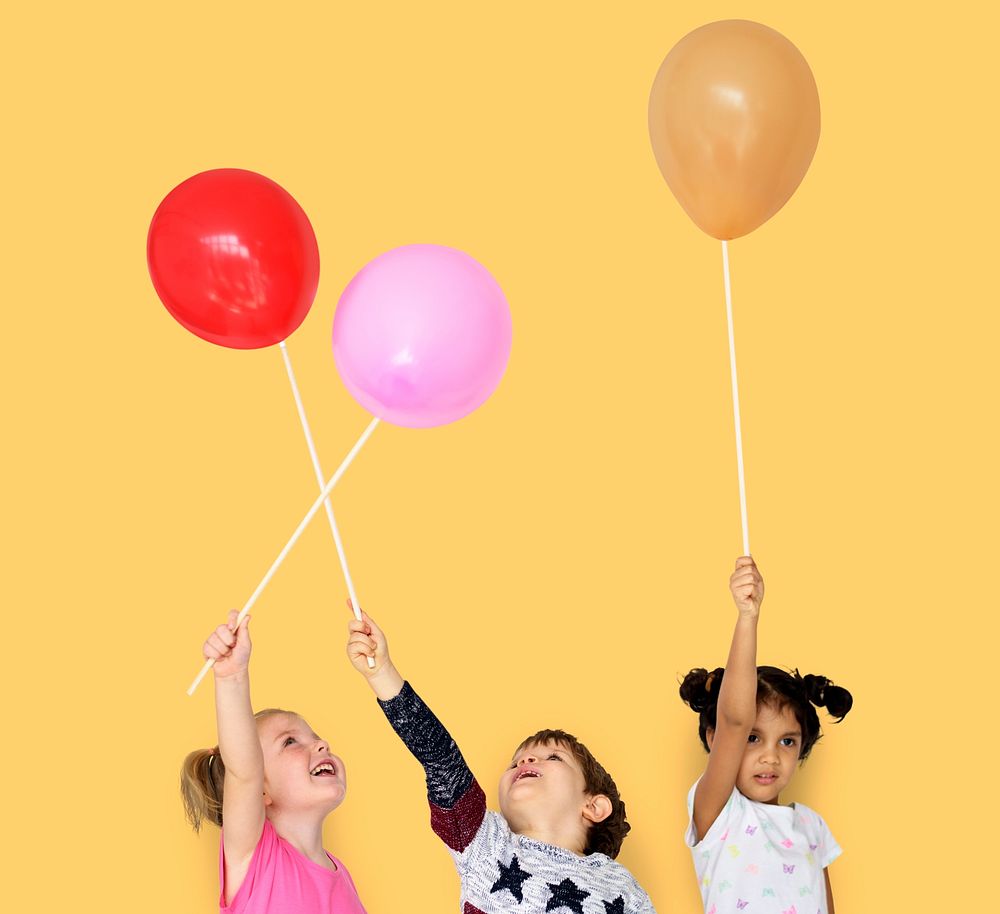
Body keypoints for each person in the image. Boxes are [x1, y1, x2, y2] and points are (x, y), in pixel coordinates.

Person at [346, 606, 656, 913]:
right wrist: (382, 672)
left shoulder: (621, 886)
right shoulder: (485, 843)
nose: (525, 762)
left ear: (593, 806)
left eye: (552, 757)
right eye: (516, 762)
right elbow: (440, 758)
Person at [679, 557, 853, 914]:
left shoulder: (811, 825)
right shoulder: (719, 814)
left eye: (787, 741)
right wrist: (748, 617)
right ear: (715, 739)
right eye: (753, 739)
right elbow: (734, 721)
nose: (770, 756)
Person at [181, 611, 367, 913]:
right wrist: (231, 677)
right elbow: (244, 771)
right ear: (261, 792)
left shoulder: (342, 875)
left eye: (315, 737)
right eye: (290, 741)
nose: (322, 744)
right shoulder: (257, 856)